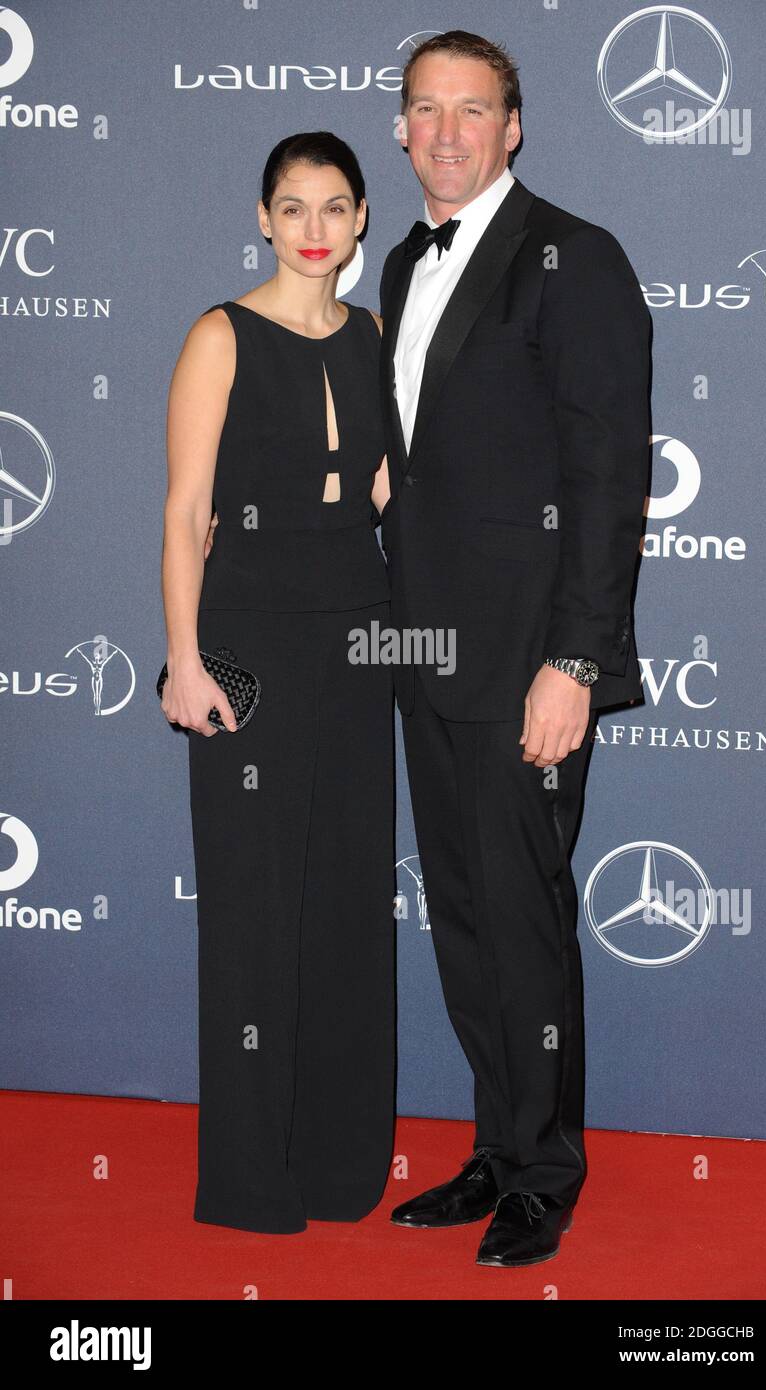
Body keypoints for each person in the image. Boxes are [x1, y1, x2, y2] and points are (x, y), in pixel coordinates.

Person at [378, 32, 652, 1267]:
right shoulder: (400, 264)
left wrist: (576, 663)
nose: (446, 131)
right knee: (467, 921)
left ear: (515, 126)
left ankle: (547, 1171)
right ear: (399, 129)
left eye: (472, 109)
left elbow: (606, 481)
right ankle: (495, 1144)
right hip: (421, 647)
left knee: (526, 919)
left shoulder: (575, 260)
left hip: (531, 663)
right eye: (424, 109)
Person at [159, 132, 396, 1235]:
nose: (313, 228)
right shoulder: (220, 334)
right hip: (250, 652)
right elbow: (183, 510)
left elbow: (390, 495)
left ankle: (346, 1166)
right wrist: (187, 661)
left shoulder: (377, 338)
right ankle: (252, 1181)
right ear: (263, 217)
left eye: (334, 207)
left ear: (360, 221)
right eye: (291, 206)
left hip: (360, 649)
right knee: (257, 916)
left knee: (348, 908)